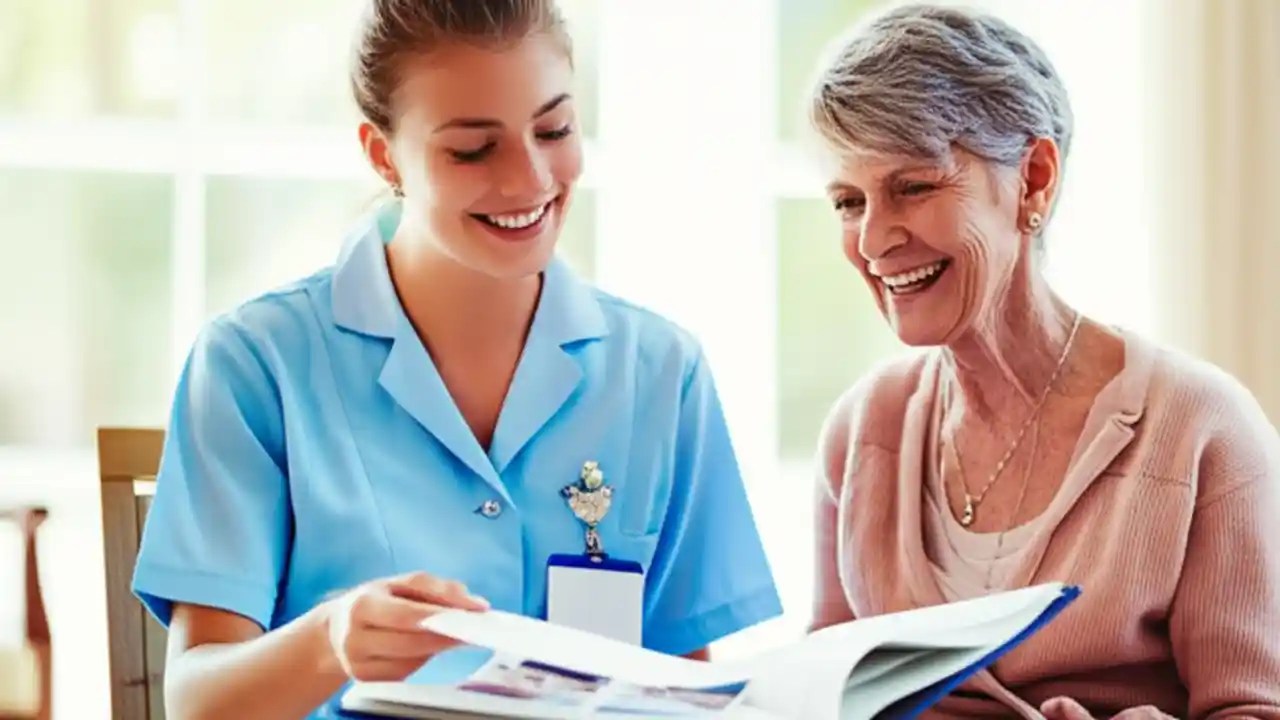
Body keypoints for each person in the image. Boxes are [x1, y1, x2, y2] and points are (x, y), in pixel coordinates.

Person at [130, 2, 782, 718]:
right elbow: (197, 703)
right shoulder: (255, 365)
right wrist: (329, 641)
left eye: (554, 129)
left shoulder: (661, 374)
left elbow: (679, 690)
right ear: (383, 156)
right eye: (473, 149)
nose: (530, 179)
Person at [803, 4, 1280, 719]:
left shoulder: (1200, 430)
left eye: (914, 187)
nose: (872, 241)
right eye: (848, 201)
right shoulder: (864, 430)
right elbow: (825, 691)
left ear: (1032, 178)